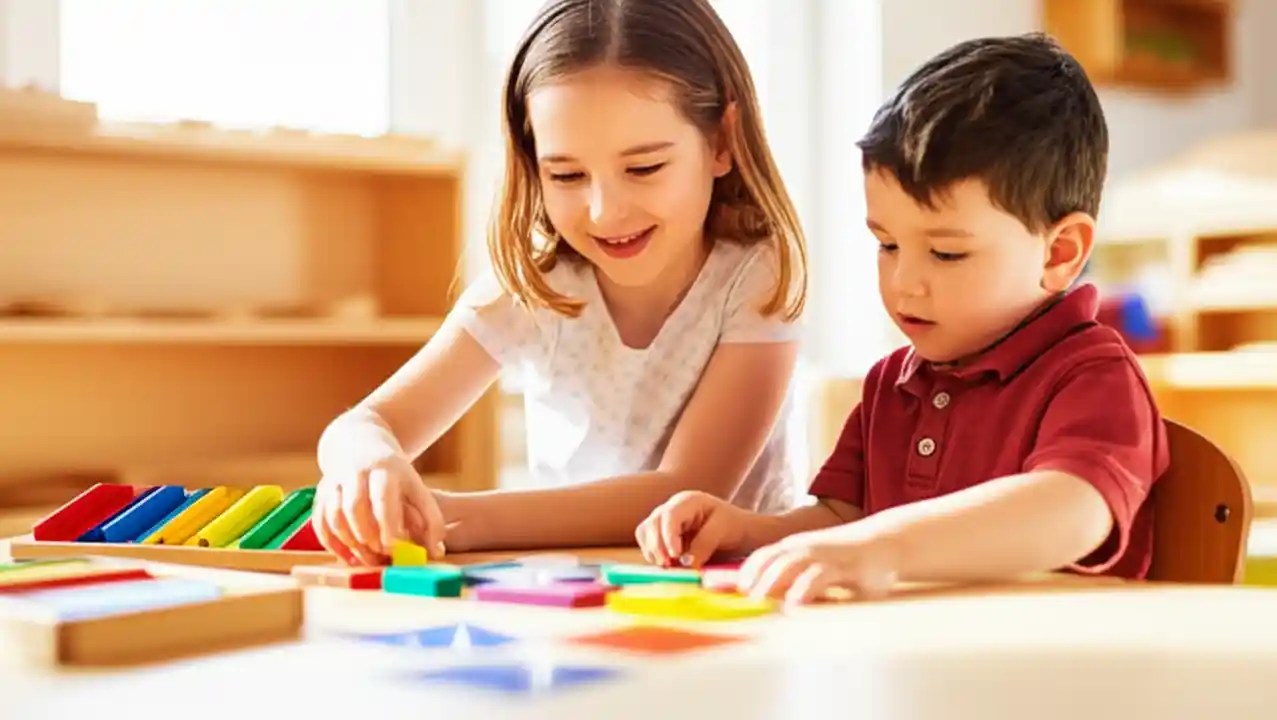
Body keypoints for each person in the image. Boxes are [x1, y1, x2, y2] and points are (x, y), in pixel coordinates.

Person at [636, 32, 1169, 604]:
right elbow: (841, 522)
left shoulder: (1093, 375)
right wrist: (748, 531)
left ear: (1059, 252)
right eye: (887, 245)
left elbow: (1070, 508)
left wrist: (884, 549)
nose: (903, 282)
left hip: (1054, 656)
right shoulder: (892, 384)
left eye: (946, 253)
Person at [311, 0, 808, 566]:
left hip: (727, 585)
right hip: (573, 583)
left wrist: (454, 516)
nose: (604, 212)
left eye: (644, 168)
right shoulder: (535, 282)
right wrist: (368, 461)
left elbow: (688, 490)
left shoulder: (755, 274)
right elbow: (362, 425)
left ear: (721, 142)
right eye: (567, 174)